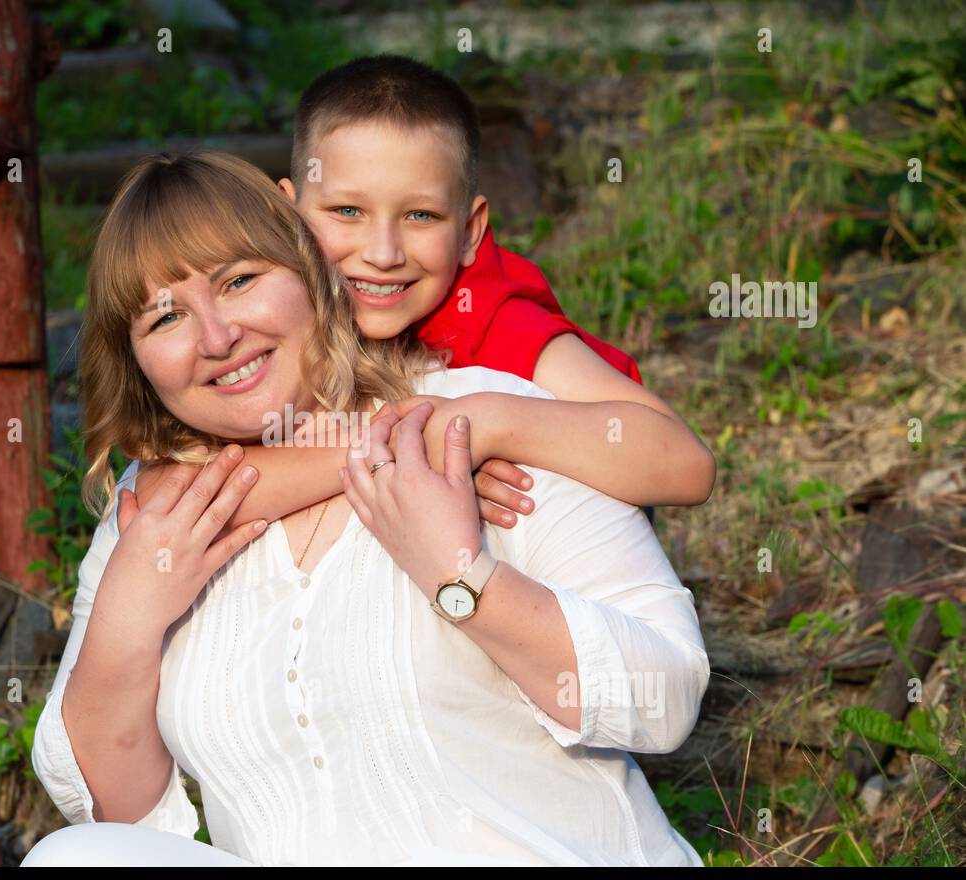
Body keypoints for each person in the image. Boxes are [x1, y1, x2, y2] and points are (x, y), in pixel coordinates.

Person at [24, 150, 710, 867]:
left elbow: (667, 697)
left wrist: (461, 580)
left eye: (241, 281)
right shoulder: (158, 515)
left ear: (310, 269)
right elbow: (120, 814)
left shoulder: (478, 421)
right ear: (134, 359)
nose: (217, 337)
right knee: (75, 861)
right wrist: (128, 624)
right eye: (166, 317)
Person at [148, 54, 715, 535]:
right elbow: (184, 494)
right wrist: (403, 446)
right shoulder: (275, 312)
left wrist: (485, 425)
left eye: (421, 215)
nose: (384, 253)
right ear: (288, 211)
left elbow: (686, 465)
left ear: (469, 232)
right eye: (348, 211)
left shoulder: (495, 317)